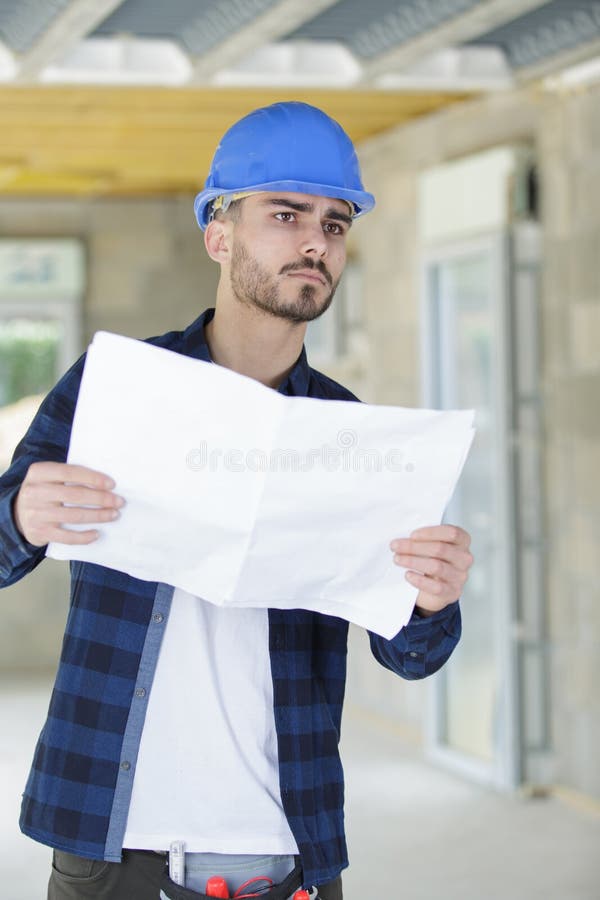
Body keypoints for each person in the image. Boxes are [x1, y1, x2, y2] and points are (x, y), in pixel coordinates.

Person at [0, 102, 473, 900]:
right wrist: (20, 516)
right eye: (286, 215)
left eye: (334, 223)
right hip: (110, 837)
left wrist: (433, 600)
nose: (316, 242)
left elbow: (413, 655)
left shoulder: (352, 437)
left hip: (285, 846)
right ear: (218, 236)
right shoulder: (120, 389)